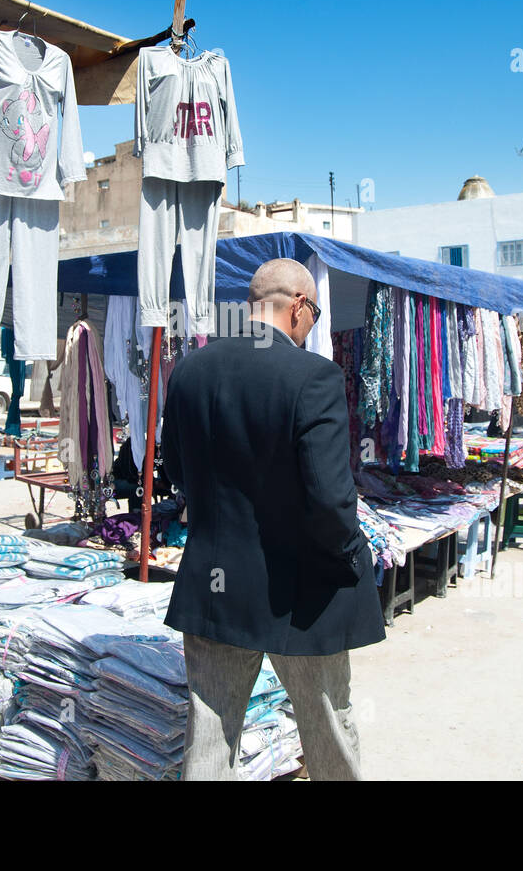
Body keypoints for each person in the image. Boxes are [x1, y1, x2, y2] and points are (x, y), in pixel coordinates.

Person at [161, 258, 384, 781]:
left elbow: (175, 464)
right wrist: (353, 555)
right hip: (302, 593)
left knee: (211, 738)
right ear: (301, 309)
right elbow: (330, 499)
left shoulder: (193, 368)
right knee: (328, 730)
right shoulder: (314, 376)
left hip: (216, 583)